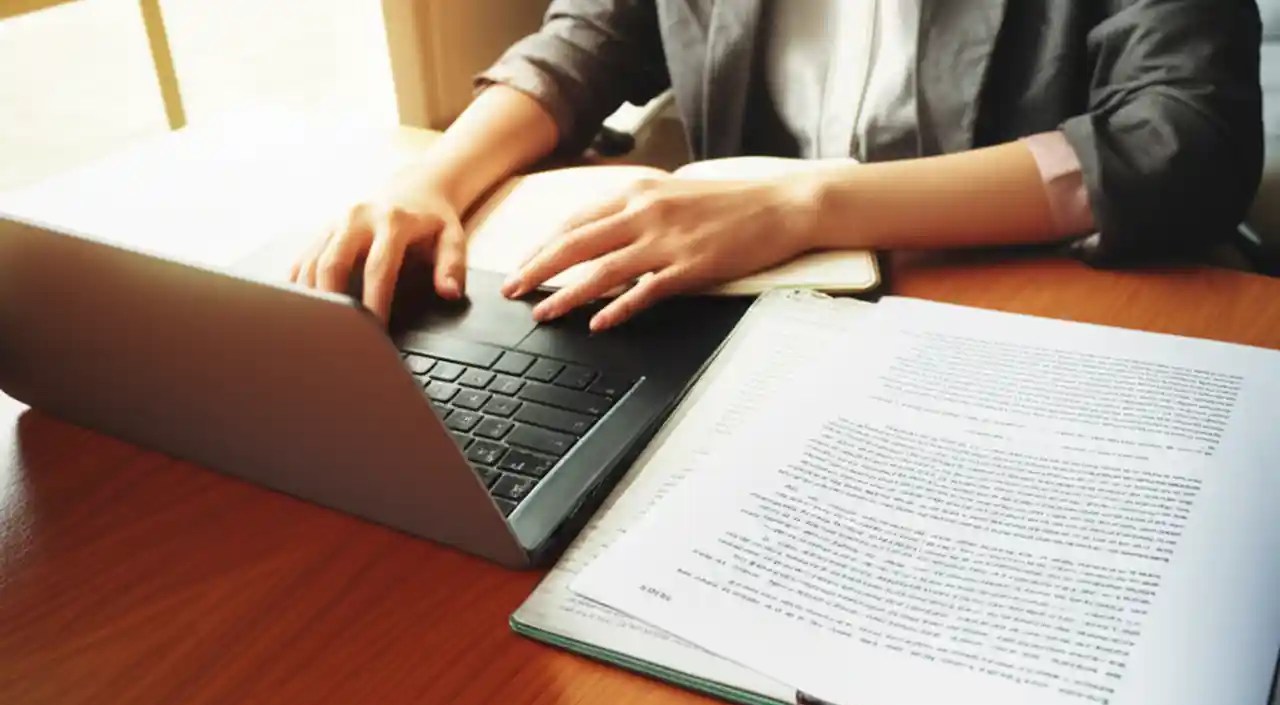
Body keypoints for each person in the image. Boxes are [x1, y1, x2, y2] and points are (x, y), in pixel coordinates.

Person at [290, 0, 1263, 332]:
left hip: (1032, 301)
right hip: (764, 314)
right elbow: (597, 30)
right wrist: (433, 179)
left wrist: (805, 204)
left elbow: (1182, 140)